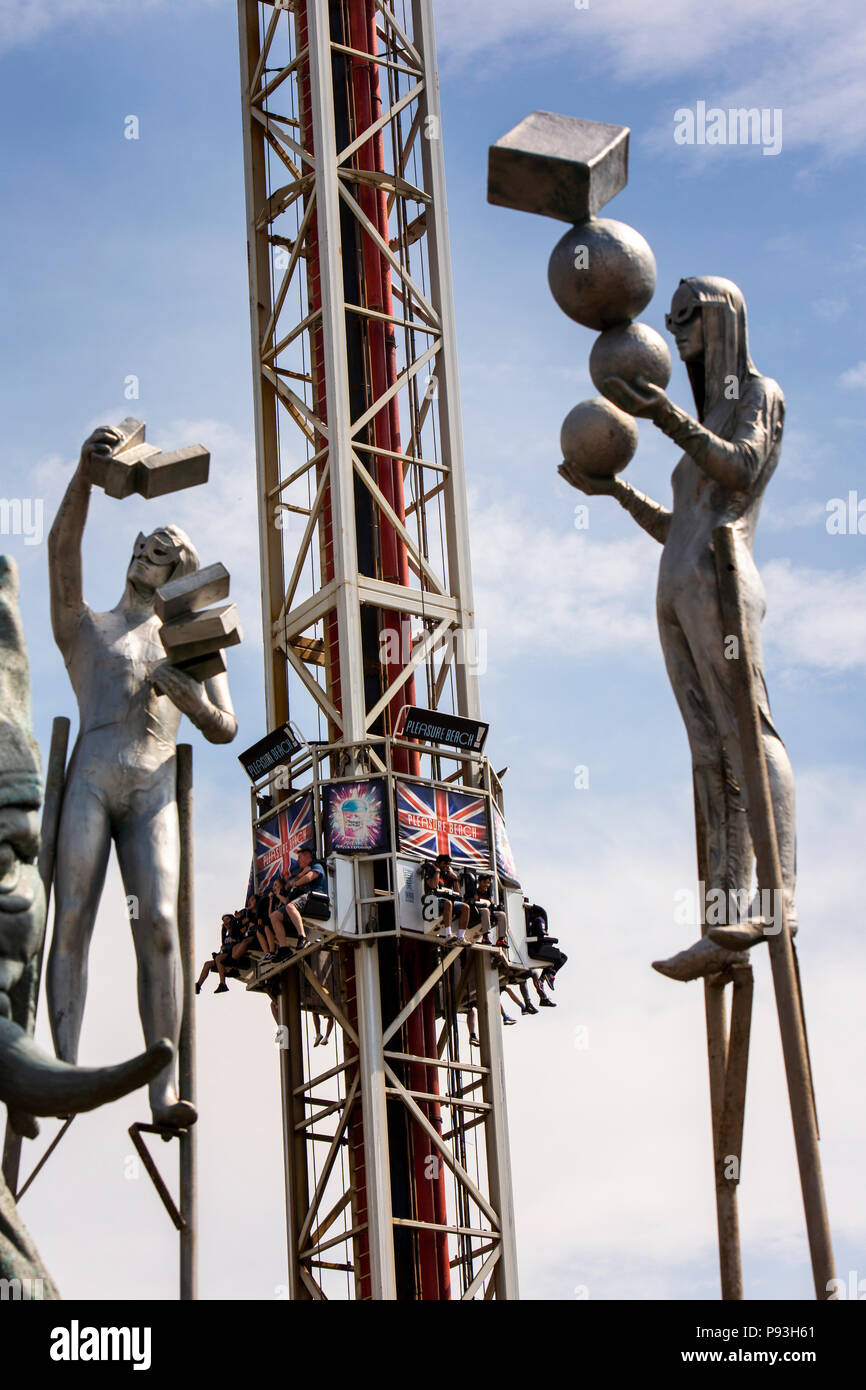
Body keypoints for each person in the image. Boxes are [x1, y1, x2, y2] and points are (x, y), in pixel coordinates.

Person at [561, 277, 795, 981]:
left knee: (746, 732)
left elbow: (742, 467)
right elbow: (677, 527)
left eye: (688, 319)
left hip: (723, 575)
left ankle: (775, 898)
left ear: (723, 318)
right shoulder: (709, 410)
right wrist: (615, 492)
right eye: (672, 320)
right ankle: (722, 920)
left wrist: (665, 417)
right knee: (708, 753)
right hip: (679, 580)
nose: (676, 333)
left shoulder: (759, 395)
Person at [46, 426, 238, 1127]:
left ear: (177, 572)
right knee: (72, 914)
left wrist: (183, 691)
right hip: (94, 777)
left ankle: (163, 1085)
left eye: (162, 553)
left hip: (153, 786)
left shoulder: (191, 642)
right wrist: (82, 472)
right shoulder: (86, 629)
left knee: (158, 922)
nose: (144, 553)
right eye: (141, 545)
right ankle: (62, 1072)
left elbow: (224, 725)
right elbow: (61, 553)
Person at [525, 904, 567, 989]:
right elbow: (541, 933)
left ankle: (542, 980)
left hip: (530, 947)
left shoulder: (529, 921)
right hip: (537, 948)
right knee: (562, 957)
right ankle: (550, 975)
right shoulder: (539, 920)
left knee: (551, 959)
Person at [195, 916, 238, 996]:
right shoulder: (226, 936)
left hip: (233, 954)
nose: (226, 922)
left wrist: (234, 940)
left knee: (218, 959)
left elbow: (239, 941)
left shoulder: (236, 931)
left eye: (227, 919)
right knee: (207, 964)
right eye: (224, 920)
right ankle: (198, 985)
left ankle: (223, 984)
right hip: (225, 954)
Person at [432, 854, 470, 940]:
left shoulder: (448, 875)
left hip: (448, 899)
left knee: (465, 907)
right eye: (444, 863)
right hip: (436, 899)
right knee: (448, 903)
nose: (447, 866)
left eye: (448, 864)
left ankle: (461, 937)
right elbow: (433, 885)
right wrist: (437, 872)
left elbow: (457, 893)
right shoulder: (433, 872)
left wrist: (455, 879)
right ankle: (448, 934)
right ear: (438, 863)